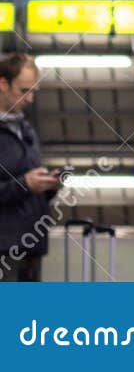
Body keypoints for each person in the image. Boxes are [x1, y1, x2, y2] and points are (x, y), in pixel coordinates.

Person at [0, 52, 59, 282]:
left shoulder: (26, 129)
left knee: (29, 317)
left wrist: (49, 185)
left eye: (34, 92)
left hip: (31, 246)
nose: (30, 99)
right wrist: (24, 185)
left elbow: (29, 183)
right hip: (4, 248)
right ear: (3, 83)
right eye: (24, 91)